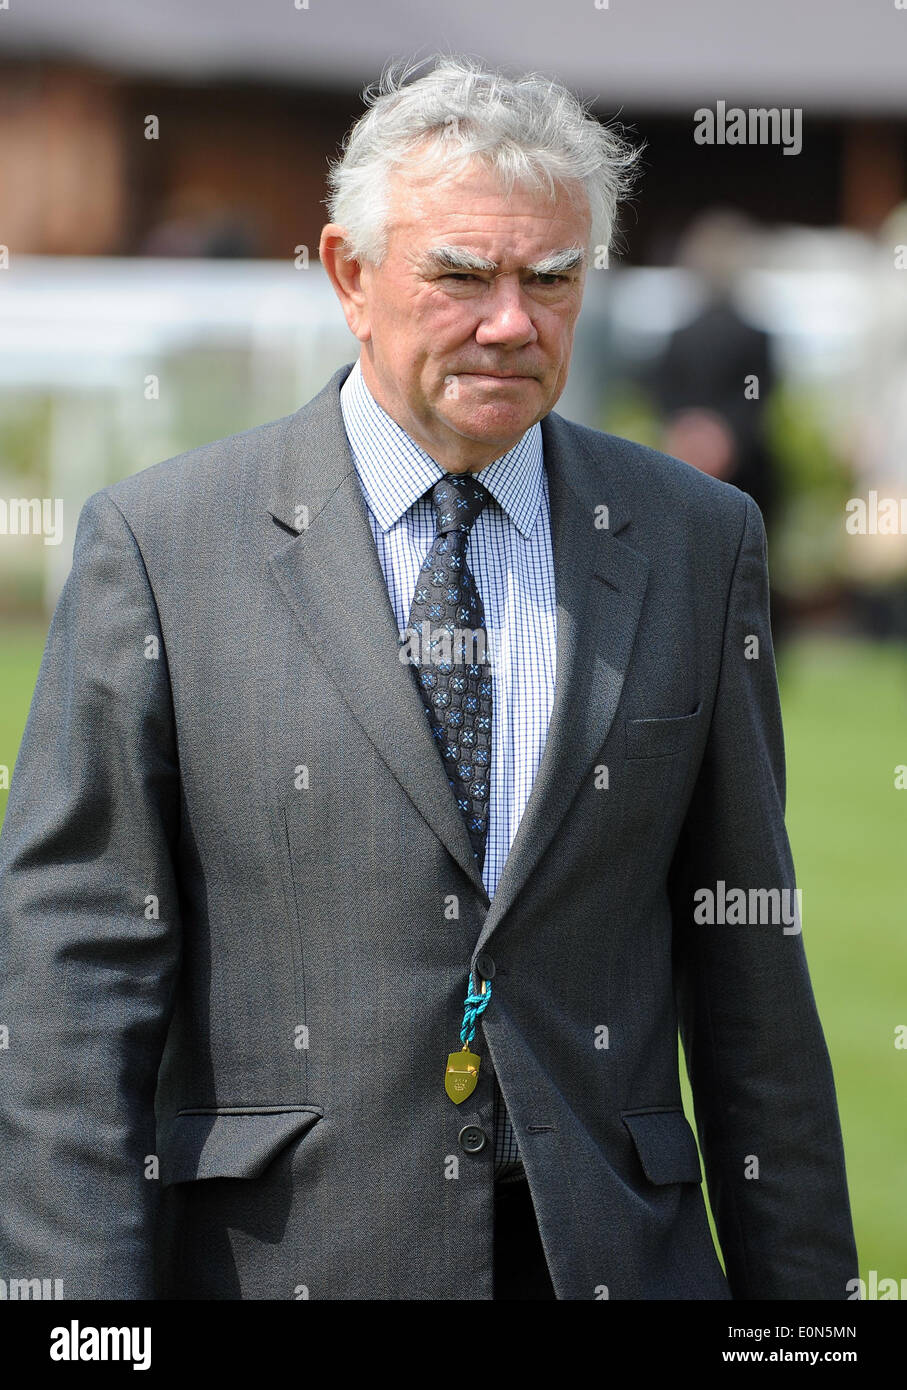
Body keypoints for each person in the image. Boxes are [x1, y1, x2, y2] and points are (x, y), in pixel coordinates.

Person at [0, 55, 857, 1301]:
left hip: (612, 1263)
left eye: (550, 278)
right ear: (350, 275)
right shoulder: (165, 546)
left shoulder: (693, 539)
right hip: (285, 1265)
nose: (510, 320)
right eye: (461, 273)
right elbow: (74, 985)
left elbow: (751, 983)